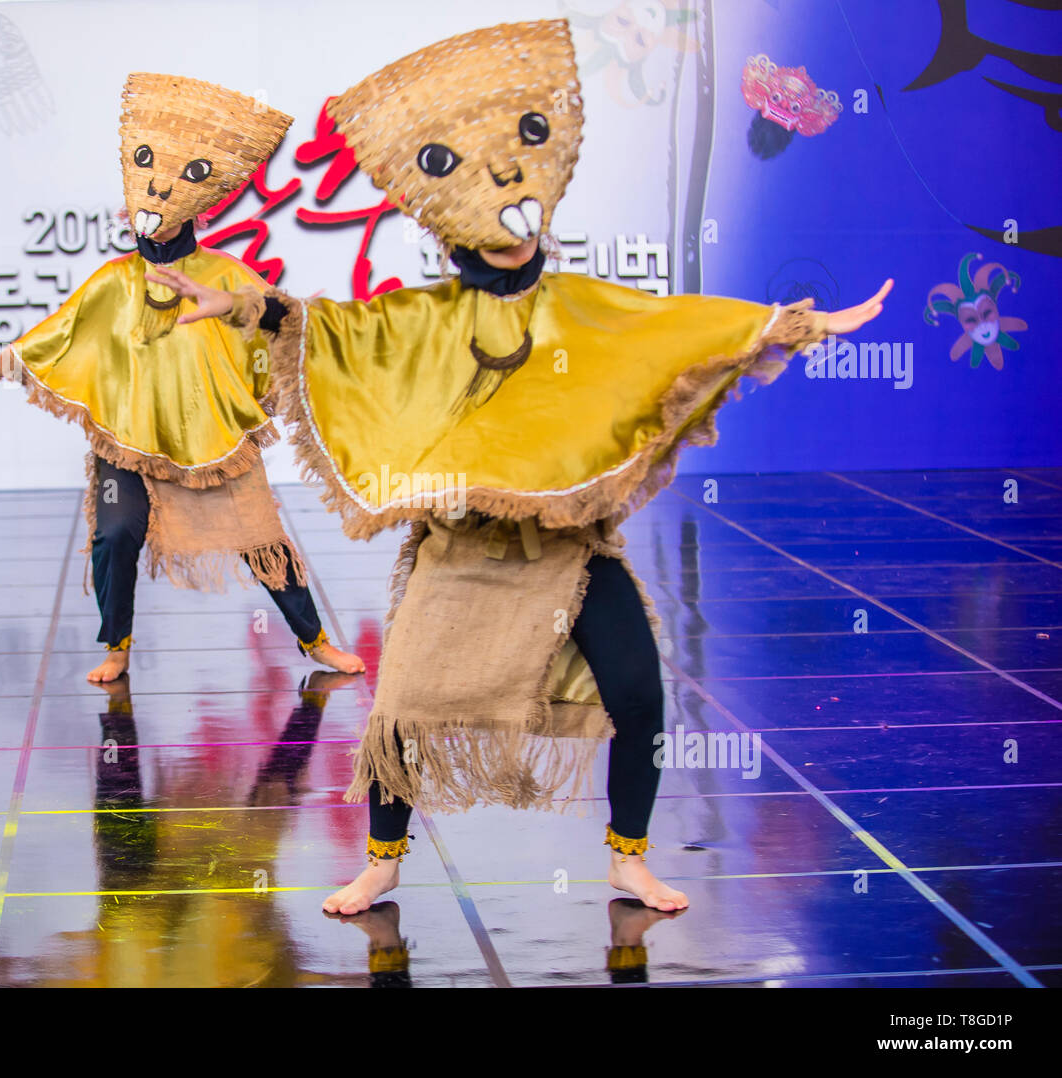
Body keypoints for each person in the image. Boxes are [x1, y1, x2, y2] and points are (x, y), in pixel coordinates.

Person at [147, 19, 890, 914]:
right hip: (460, 552)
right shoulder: (418, 321)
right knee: (401, 715)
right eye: (487, 226)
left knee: (639, 693)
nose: (508, 232)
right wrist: (240, 303)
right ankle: (383, 861)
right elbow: (326, 331)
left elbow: (679, 328)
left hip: (570, 554)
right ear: (455, 237)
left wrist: (798, 323)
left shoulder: (581, 307)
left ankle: (628, 858)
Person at [0, 72, 363, 683]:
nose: (156, 204)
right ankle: (116, 645)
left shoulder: (224, 274)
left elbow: (278, 329)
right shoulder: (112, 283)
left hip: (213, 438)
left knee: (261, 536)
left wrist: (310, 335)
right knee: (114, 533)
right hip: (129, 439)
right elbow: (51, 338)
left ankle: (316, 640)